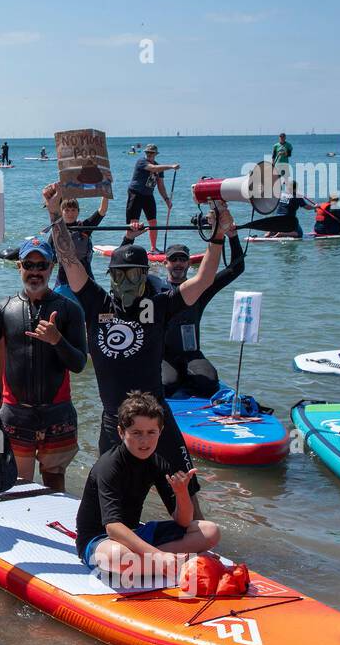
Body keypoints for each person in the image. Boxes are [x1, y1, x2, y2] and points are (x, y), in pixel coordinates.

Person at [53, 182, 239, 518]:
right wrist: (55, 213)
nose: (125, 282)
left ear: (145, 276)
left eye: (133, 275)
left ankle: (195, 551)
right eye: (119, 275)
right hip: (116, 423)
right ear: (110, 277)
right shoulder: (96, 302)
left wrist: (216, 237)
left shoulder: (160, 304)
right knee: (113, 509)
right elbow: (69, 260)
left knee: (187, 503)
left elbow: (203, 280)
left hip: (158, 420)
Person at [74, 391, 219, 578]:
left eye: (151, 432)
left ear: (161, 431)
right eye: (136, 433)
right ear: (121, 432)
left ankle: (160, 563)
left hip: (136, 533)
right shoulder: (108, 466)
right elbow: (113, 527)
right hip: (100, 540)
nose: (145, 441)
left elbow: (183, 521)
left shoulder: (157, 462)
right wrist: (157, 555)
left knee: (210, 531)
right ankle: (175, 562)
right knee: (118, 557)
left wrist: (182, 493)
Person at [0, 237, 88, 490]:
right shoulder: (5, 307)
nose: (35, 271)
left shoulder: (69, 309)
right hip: (16, 413)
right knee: (19, 486)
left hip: (58, 412)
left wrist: (57, 340)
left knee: (54, 484)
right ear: (19, 266)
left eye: (41, 265)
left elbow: (79, 364)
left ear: (51, 267)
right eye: (29, 265)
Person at [160, 229, 245, 398]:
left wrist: (232, 235)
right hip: (164, 356)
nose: (178, 263)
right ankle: (177, 379)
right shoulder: (154, 289)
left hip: (191, 353)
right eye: (173, 259)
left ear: (189, 264)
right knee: (166, 386)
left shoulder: (200, 289)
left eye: (183, 259)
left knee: (208, 384)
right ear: (165, 263)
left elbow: (236, 268)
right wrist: (129, 238)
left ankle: (187, 378)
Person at [47, 190, 110, 300]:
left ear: (78, 211)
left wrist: (105, 190)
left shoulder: (85, 227)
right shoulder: (56, 231)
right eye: (67, 210)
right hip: (63, 280)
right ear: (61, 212)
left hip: (86, 277)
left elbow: (102, 211)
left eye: (73, 210)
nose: (70, 213)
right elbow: (48, 258)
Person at [126, 144, 179, 254]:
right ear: (145, 153)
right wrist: (171, 167)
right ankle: (127, 247)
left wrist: (167, 199)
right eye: (148, 153)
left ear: (155, 154)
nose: (149, 155)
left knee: (153, 222)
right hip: (135, 193)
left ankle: (153, 248)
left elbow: (160, 186)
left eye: (152, 153)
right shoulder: (141, 162)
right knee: (133, 222)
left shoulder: (159, 167)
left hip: (148, 195)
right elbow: (153, 168)